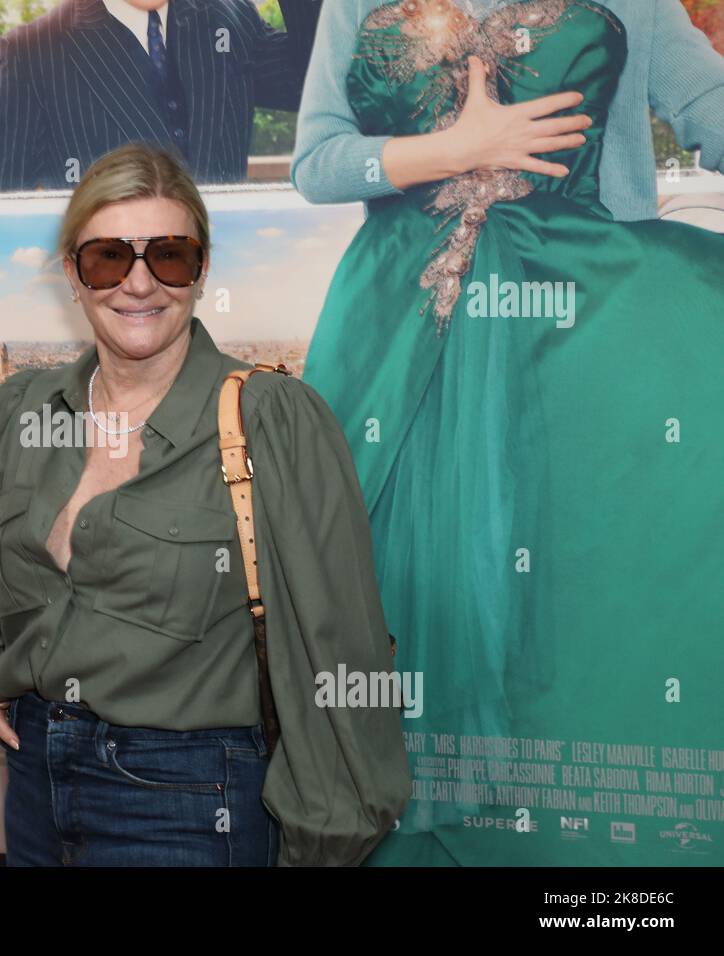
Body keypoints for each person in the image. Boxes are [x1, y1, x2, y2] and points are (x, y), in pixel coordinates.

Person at [293, 0, 724, 866]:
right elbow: (316, 161)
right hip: (395, 340)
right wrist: (454, 151)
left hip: (580, 339)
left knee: (569, 610)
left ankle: (578, 870)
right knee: (382, 603)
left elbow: (709, 105)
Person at [0, 142, 410, 866]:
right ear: (73, 275)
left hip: (189, 798)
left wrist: (324, 843)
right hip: (33, 787)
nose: (139, 283)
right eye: (109, 257)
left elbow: (340, 649)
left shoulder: (273, 418)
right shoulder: (24, 408)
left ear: (202, 269)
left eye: (169, 256)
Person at [0, 0, 323, 192]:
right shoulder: (32, 53)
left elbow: (320, 84)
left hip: (228, 296)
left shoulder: (228, 18)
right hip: (112, 305)